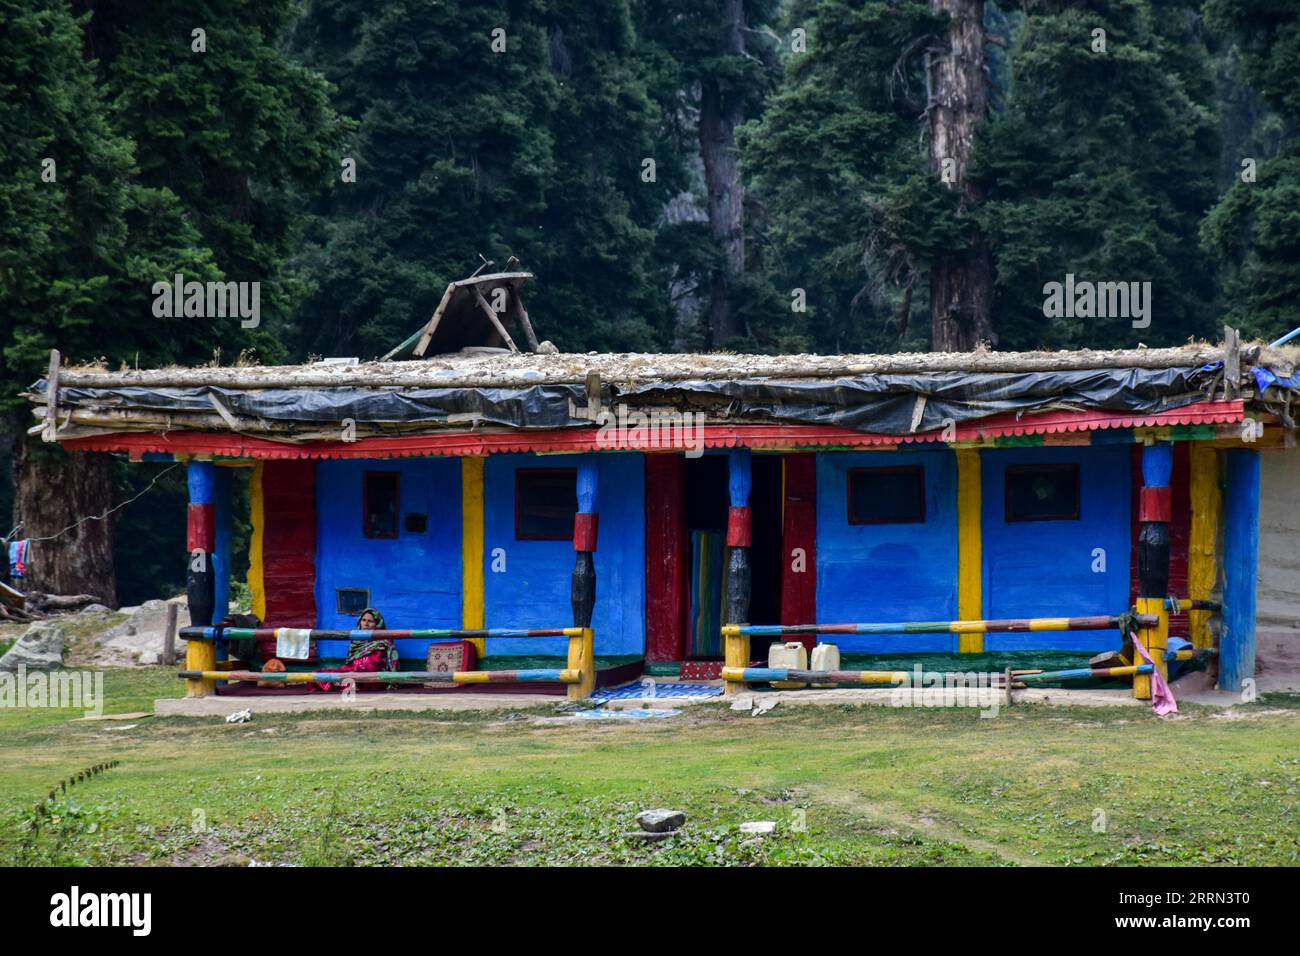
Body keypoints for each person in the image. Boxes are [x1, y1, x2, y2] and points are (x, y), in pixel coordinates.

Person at [312, 607, 399, 691]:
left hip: (371, 676)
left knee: (353, 680)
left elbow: (374, 666)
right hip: (351, 671)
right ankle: (345, 683)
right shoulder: (356, 641)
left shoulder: (383, 643)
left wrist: (354, 673)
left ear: (377, 624)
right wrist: (349, 673)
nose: (366, 624)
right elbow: (349, 664)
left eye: (370, 621)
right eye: (363, 620)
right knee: (318, 674)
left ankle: (347, 684)